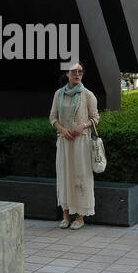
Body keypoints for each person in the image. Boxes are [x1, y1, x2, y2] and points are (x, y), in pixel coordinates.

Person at [49, 63, 100, 230]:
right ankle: (65, 215)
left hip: (81, 142)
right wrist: (62, 130)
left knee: (81, 176)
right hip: (64, 142)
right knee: (65, 176)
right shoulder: (59, 94)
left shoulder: (87, 95)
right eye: (74, 72)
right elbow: (52, 118)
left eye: (80, 71)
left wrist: (82, 125)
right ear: (67, 73)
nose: (78, 74)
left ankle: (80, 217)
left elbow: (95, 118)